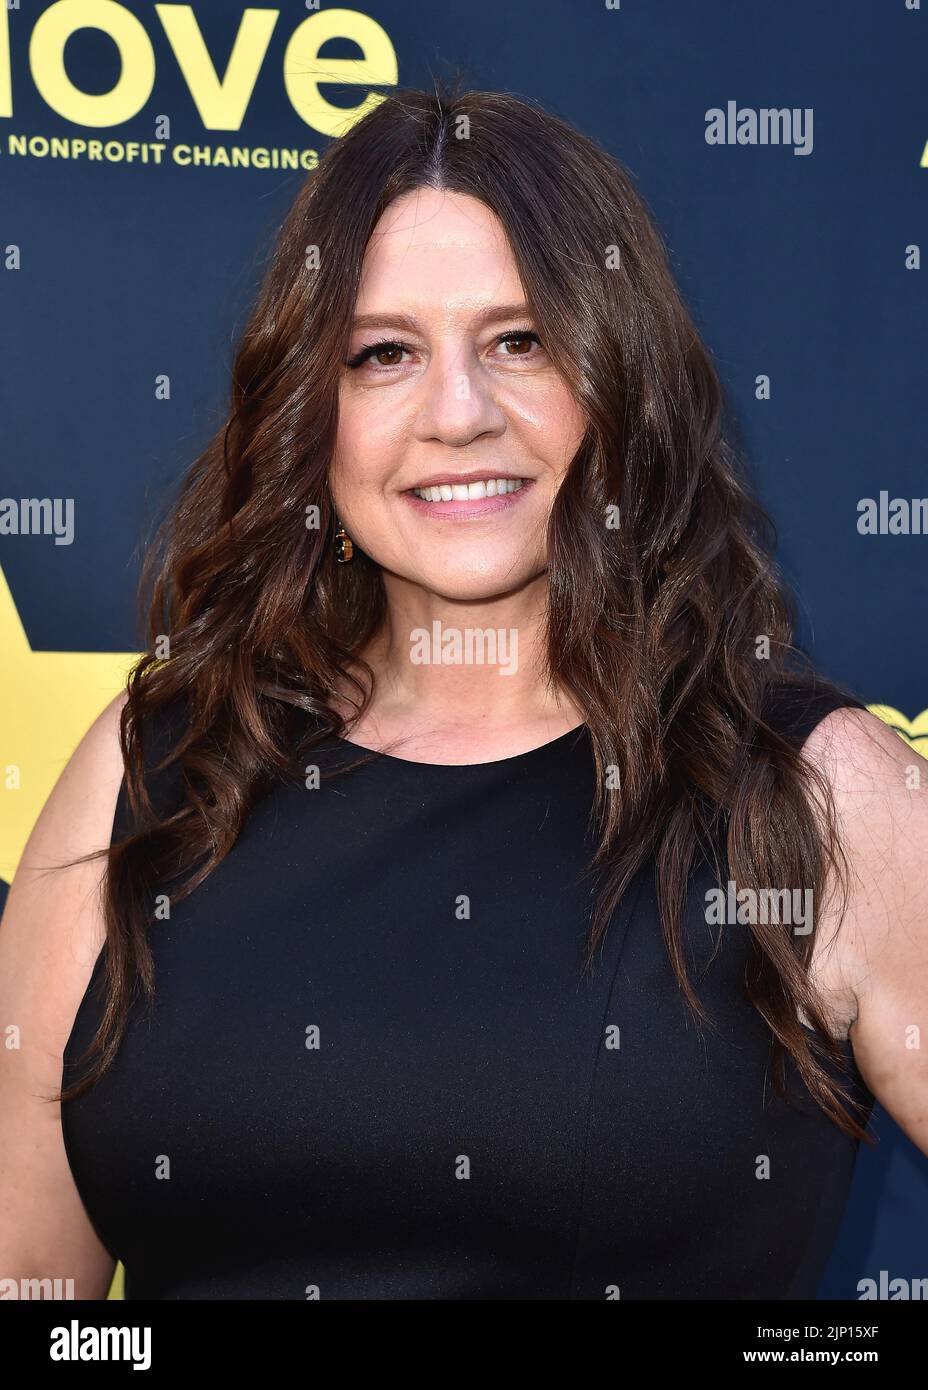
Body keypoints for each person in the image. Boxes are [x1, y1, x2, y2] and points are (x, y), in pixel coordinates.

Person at [1, 84, 925, 1302]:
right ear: (309, 411)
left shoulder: (811, 793)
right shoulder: (157, 766)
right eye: (383, 354)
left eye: (520, 341)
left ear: (620, 379)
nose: (456, 414)